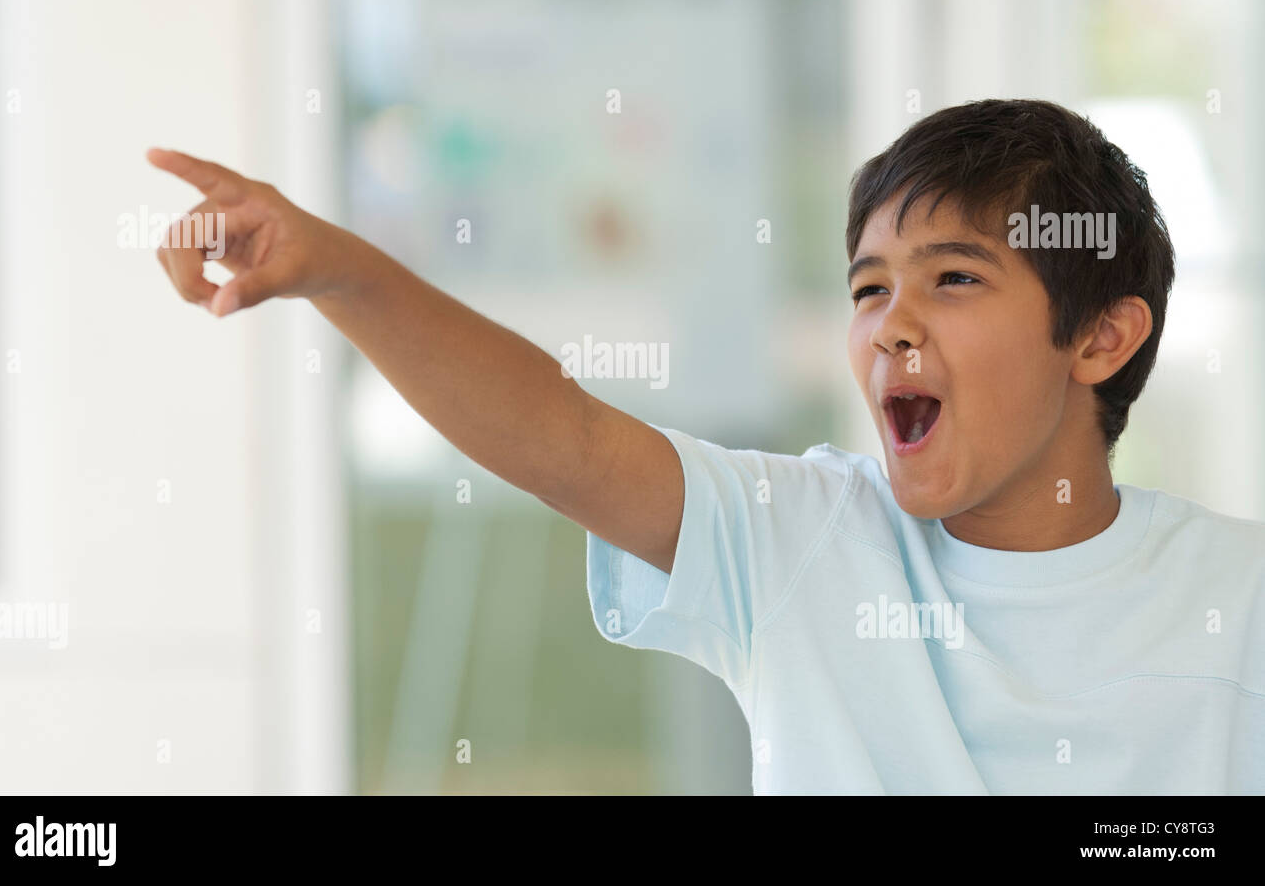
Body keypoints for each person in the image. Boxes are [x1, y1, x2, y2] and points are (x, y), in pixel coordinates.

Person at [148, 99, 1264, 795]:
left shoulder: (1237, 595)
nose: (892, 324)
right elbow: (563, 432)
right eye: (868, 289)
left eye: (954, 278)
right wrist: (339, 266)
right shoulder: (803, 541)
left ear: (1103, 336)